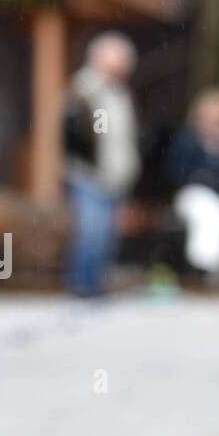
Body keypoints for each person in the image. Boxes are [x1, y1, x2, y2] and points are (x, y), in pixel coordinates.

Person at [63, 32, 139, 298]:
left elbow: (122, 137)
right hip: (89, 174)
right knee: (91, 232)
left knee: (107, 235)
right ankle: (81, 285)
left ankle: (96, 283)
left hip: (117, 175)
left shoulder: (120, 93)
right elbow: (77, 132)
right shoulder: (85, 89)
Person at [165, 88, 219, 285]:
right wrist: (202, 178)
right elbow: (174, 171)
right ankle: (202, 267)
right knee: (210, 212)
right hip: (193, 196)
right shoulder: (188, 139)